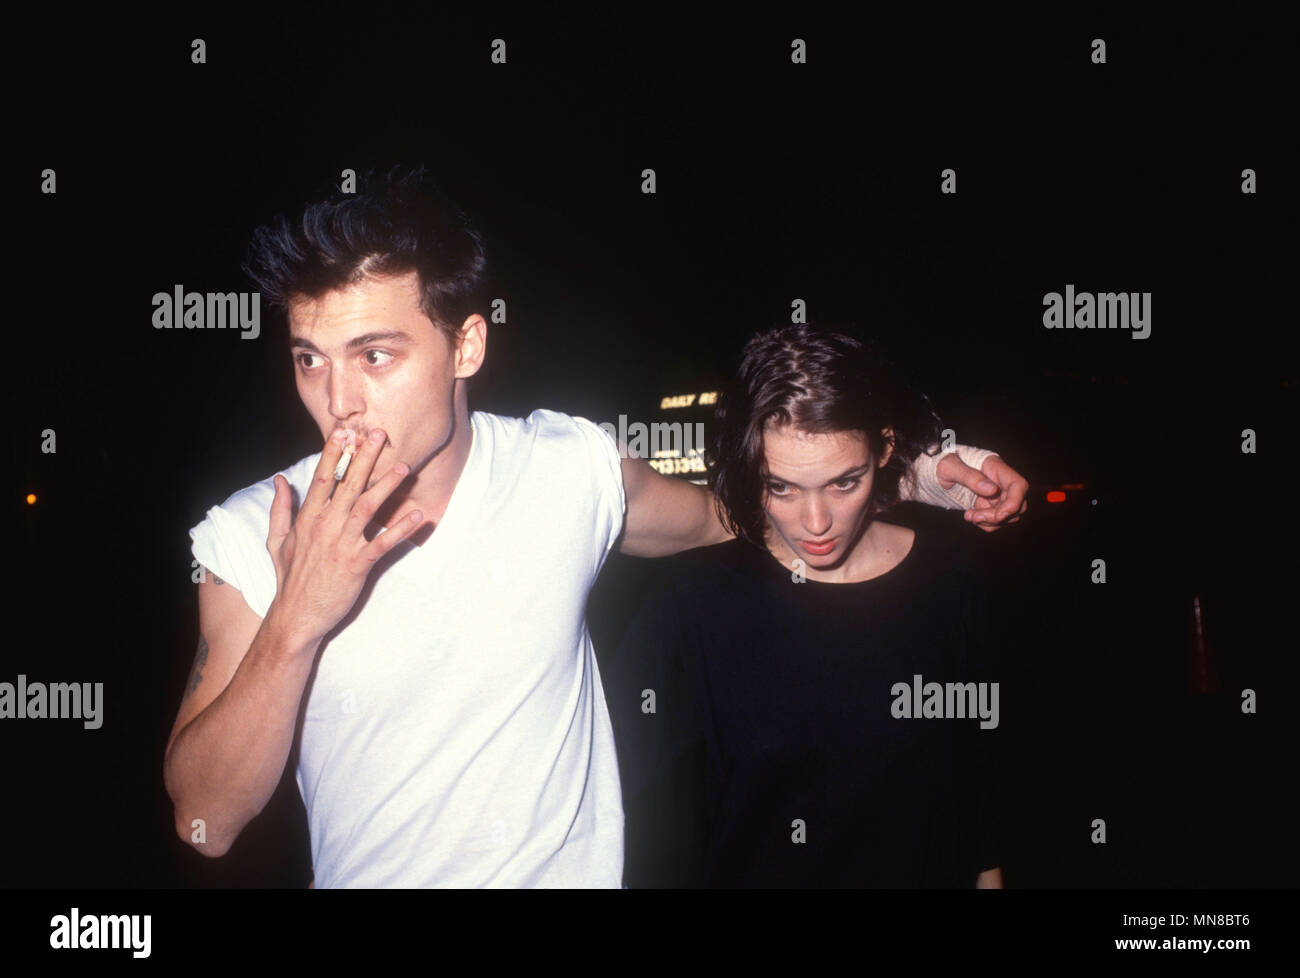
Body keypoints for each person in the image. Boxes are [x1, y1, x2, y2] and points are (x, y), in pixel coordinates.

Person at [161, 167, 1028, 888]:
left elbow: (741, 512)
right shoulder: (254, 529)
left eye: (374, 356)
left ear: (467, 346)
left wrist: (920, 473)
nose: (338, 401)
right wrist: (298, 617)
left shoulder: (565, 469)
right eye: (310, 360)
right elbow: (206, 820)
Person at [608, 324, 1014, 887]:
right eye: (781, 487)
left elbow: (976, 783)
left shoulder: (949, 581)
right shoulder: (697, 600)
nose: (816, 523)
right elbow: (620, 800)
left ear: (885, 450)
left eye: (844, 483)